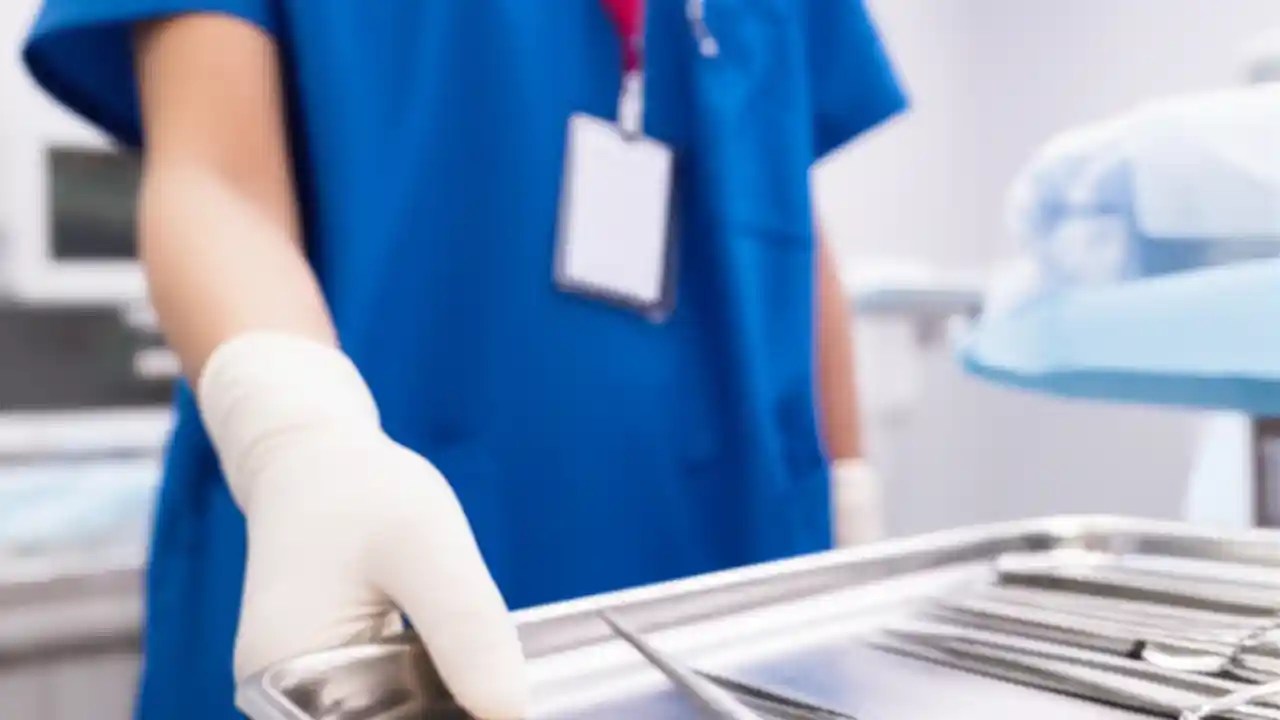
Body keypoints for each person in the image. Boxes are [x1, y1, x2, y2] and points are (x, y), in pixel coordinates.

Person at [24, 1, 905, 717]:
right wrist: (296, 433)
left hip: (734, 565)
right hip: (368, 557)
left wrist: (849, 491)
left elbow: (792, 220)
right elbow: (212, 177)